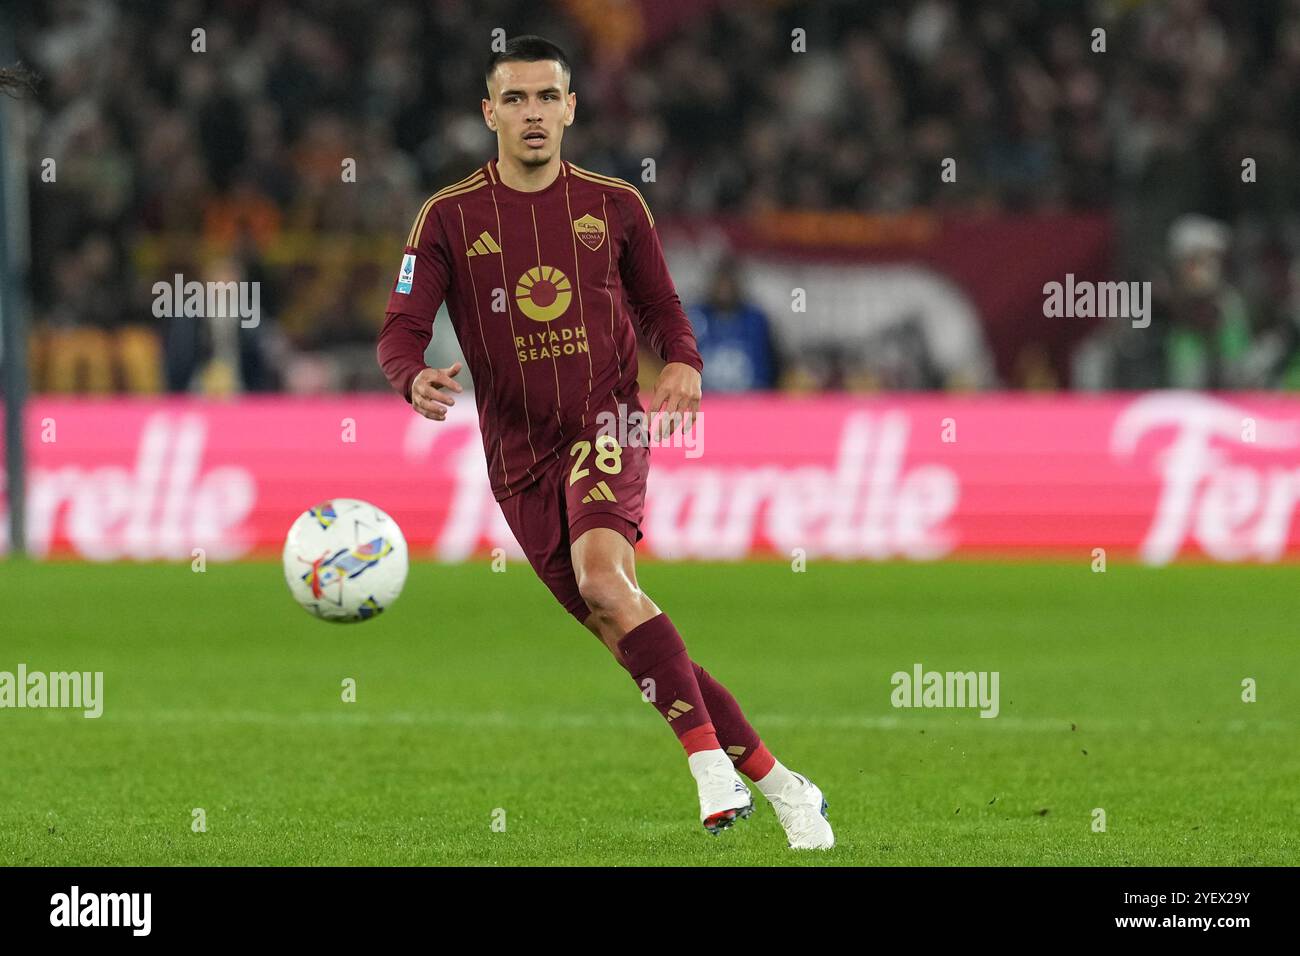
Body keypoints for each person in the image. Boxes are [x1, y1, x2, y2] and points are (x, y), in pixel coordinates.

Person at [377, 36, 832, 848]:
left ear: (572, 109)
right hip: (517, 458)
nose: (532, 115)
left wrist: (685, 362)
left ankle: (707, 769)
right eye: (514, 100)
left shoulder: (614, 205)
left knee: (602, 579)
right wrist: (411, 375)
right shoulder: (447, 217)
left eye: (547, 98)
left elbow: (660, 305)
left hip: (608, 422)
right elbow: (401, 324)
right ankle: (787, 785)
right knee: (624, 622)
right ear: (489, 114)